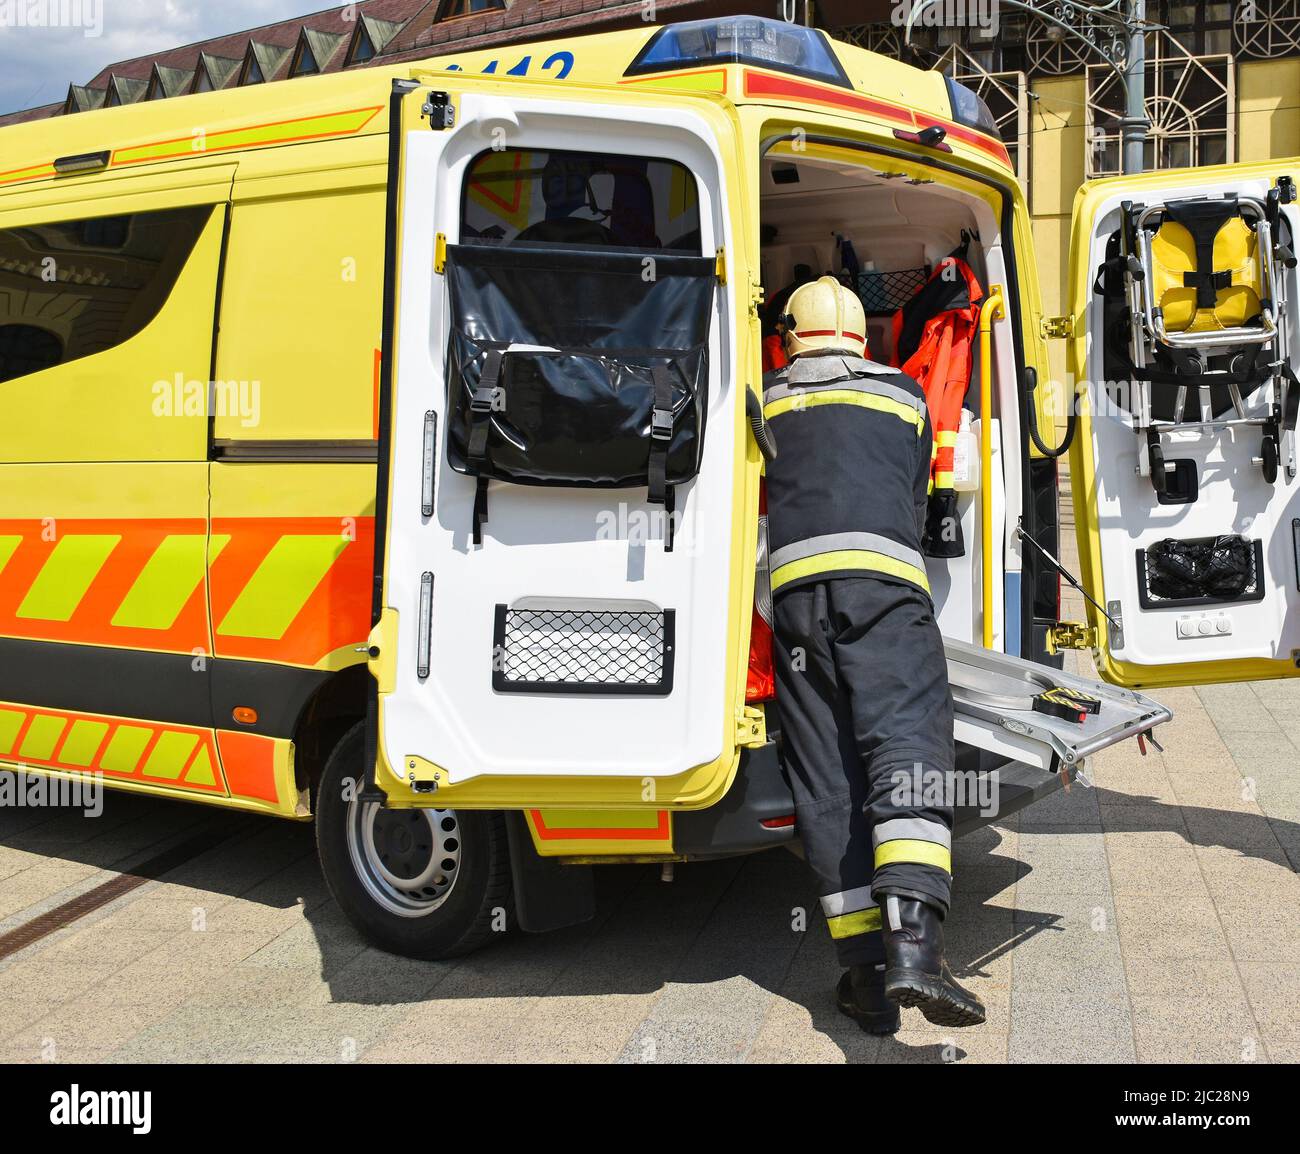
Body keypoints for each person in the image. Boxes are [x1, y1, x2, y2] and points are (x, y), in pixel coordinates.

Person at [762, 276, 986, 1033]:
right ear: (863, 335)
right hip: (884, 594)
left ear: (790, 337)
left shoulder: (764, 399)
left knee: (827, 777)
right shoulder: (903, 397)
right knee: (906, 747)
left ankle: (862, 978)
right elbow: (914, 491)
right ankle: (917, 952)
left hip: (797, 604)